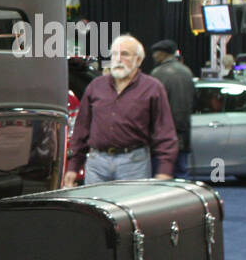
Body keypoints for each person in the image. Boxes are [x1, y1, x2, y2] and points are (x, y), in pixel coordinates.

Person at [64, 34, 178, 186]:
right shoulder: (96, 86)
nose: (118, 59)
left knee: (132, 207)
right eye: (115, 54)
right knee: (93, 209)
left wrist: (165, 170)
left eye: (124, 54)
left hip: (134, 164)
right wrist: (73, 166)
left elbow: (165, 132)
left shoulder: (152, 88)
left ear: (138, 60)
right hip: (97, 163)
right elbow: (82, 128)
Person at [148, 39, 195, 177]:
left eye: (156, 53)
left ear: (163, 54)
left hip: (162, 135)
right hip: (184, 134)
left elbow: (152, 106)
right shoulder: (187, 72)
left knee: (161, 175)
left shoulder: (157, 74)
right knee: (181, 174)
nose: (154, 56)